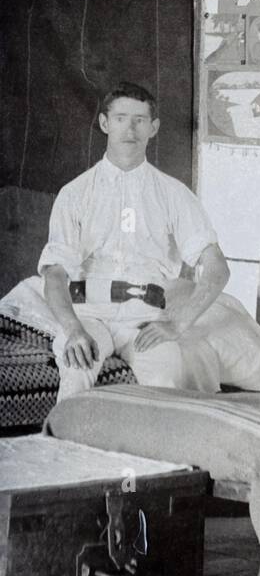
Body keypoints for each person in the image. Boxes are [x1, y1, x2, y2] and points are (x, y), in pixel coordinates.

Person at [40, 83, 230, 400]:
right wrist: (73, 329)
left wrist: (178, 324)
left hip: (145, 320)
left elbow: (217, 268)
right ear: (104, 123)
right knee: (76, 369)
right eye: (121, 118)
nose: (130, 129)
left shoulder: (174, 194)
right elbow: (55, 274)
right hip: (90, 315)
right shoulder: (75, 193)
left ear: (153, 128)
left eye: (140, 120)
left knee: (168, 381)